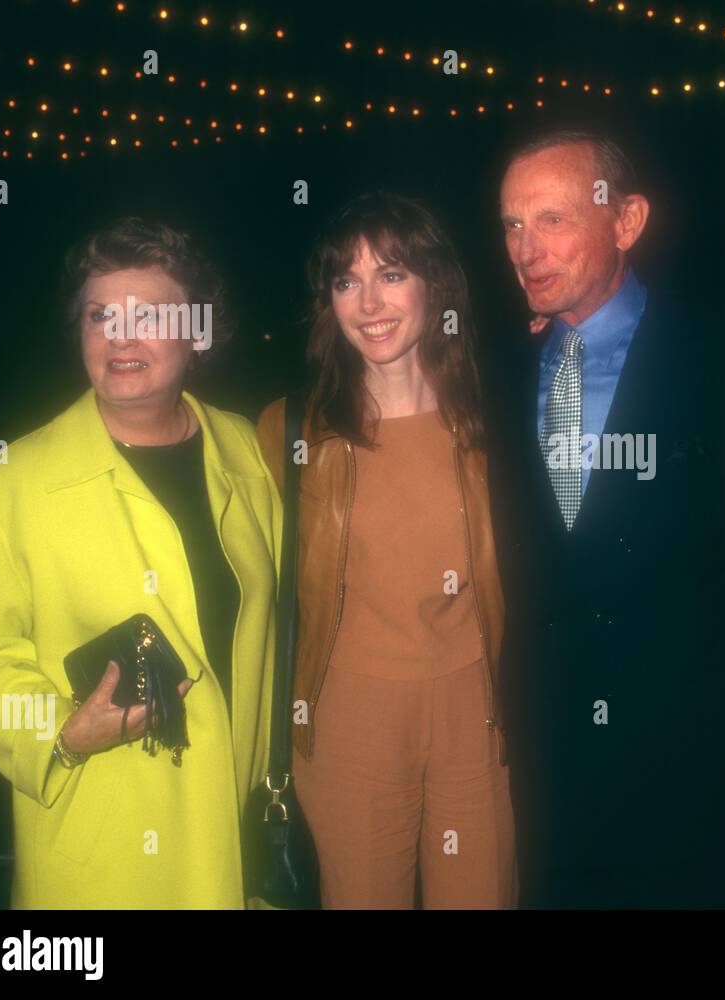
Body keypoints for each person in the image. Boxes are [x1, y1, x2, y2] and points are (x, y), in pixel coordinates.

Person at [485, 130, 725, 908]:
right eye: (512, 225)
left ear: (626, 222)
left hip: (696, 760)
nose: (525, 248)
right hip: (553, 758)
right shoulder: (494, 367)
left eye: (551, 220)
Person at [0, 217, 280, 908]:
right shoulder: (15, 484)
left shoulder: (248, 454)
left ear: (197, 334)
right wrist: (61, 734)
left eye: (148, 315)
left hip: (236, 840)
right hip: (101, 851)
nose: (120, 336)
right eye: (100, 316)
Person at [256, 192, 513, 909]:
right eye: (346, 281)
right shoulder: (286, 433)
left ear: (436, 285)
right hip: (348, 721)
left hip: (479, 710)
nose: (368, 302)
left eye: (391, 273)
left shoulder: (498, 418)